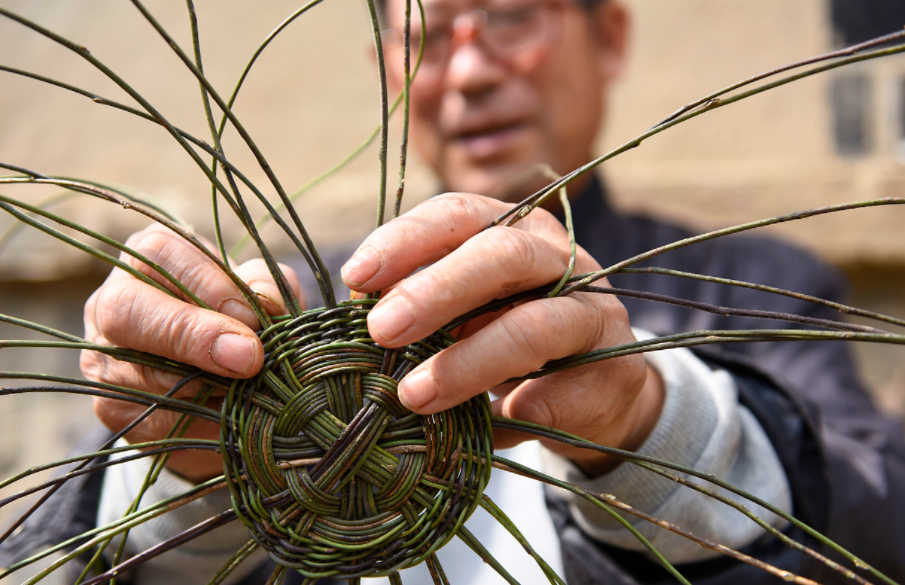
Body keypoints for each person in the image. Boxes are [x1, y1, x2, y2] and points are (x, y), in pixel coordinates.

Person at [2, 0, 904, 583]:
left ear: (610, 35)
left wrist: (654, 422)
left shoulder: (757, 286)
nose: (469, 71)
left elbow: (878, 520)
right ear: (389, 69)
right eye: (425, 34)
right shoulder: (288, 306)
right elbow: (41, 550)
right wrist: (184, 466)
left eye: (510, 15)